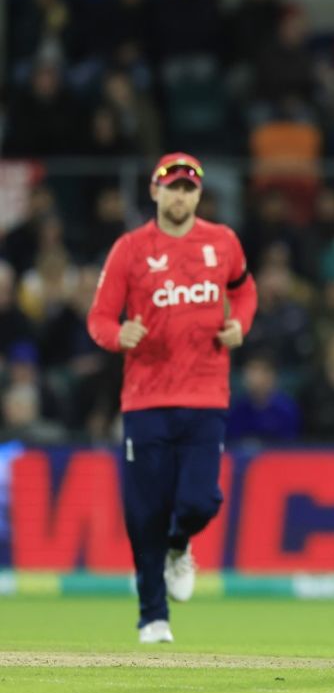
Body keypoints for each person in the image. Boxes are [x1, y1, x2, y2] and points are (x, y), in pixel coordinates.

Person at [87, 153, 257, 644]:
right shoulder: (129, 250)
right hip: (145, 398)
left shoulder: (222, 242)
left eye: (188, 187)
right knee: (145, 510)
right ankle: (152, 616)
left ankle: (178, 545)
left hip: (206, 392)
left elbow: (245, 293)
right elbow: (99, 317)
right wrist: (119, 334)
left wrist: (238, 326)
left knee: (201, 500)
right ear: (154, 191)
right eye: (172, 186)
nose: (179, 195)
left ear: (198, 195)